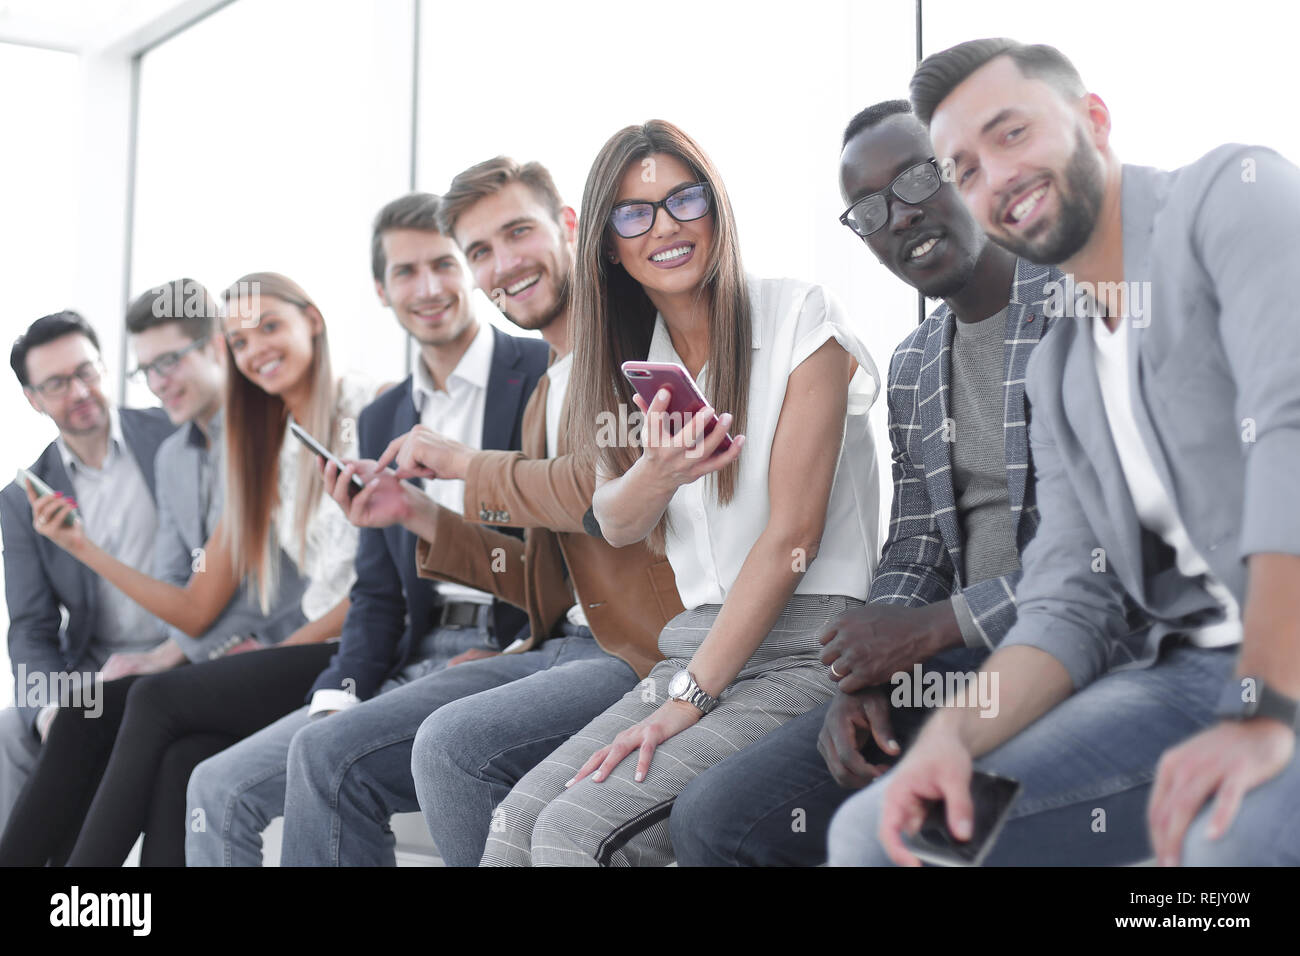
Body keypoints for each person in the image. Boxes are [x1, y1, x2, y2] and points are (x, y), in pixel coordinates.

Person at [832, 37, 1300, 868]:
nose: (997, 178)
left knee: (1217, 854)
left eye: (1013, 134)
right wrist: (952, 735)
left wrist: (1264, 713)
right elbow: (1069, 602)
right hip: (1187, 672)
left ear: (1095, 120)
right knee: (876, 833)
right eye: (966, 168)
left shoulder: (1230, 199)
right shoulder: (1063, 370)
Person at [669, 100, 1067, 865]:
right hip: (948, 666)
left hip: (1056, 647)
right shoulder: (915, 364)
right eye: (870, 208)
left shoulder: (1080, 311)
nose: (902, 215)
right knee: (716, 818)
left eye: (919, 178)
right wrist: (867, 675)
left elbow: (1111, 556)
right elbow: (916, 545)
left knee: (927, 833)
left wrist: (931, 630)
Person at [481, 119, 881, 866]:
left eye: (682, 201)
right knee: (515, 822)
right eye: (634, 213)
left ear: (714, 209)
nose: (663, 227)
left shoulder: (802, 317)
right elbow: (616, 522)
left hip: (806, 649)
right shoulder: (634, 365)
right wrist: (659, 472)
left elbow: (795, 537)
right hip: (694, 645)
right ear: (607, 242)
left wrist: (685, 702)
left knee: (574, 832)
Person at [282, 156, 685, 867]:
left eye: (517, 233)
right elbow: (536, 575)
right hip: (555, 644)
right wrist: (412, 513)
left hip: (637, 653)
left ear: (567, 226)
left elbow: (604, 497)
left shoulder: (638, 351)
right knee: (322, 750)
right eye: (481, 252)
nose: (503, 264)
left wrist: (468, 467)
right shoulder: (545, 394)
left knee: (452, 745)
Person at [185, 192, 549, 866]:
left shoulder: (542, 373)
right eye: (406, 273)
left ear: (468, 269)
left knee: (327, 761)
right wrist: (338, 692)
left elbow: (568, 559)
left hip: (513, 649)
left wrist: (518, 650)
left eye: (444, 264)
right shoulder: (384, 417)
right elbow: (377, 593)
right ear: (381, 291)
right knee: (217, 787)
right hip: (412, 656)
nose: (430, 288)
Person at [6, 273, 373, 865]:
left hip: (281, 647)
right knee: (114, 728)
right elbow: (186, 590)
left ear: (215, 349)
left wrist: (171, 647)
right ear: (33, 397)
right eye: (146, 370)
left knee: (151, 706)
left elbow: (242, 593)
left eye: (170, 361)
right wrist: (167, 650)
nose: (157, 382)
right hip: (204, 654)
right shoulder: (179, 452)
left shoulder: (268, 433)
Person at [0, 311, 175, 847]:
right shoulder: (23, 497)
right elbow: (31, 627)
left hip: (185, 653)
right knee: (13, 730)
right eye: (57, 383)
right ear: (33, 398)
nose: (79, 391)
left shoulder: (173, 435)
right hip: (101, 670)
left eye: (86, 372)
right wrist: (52, 710)